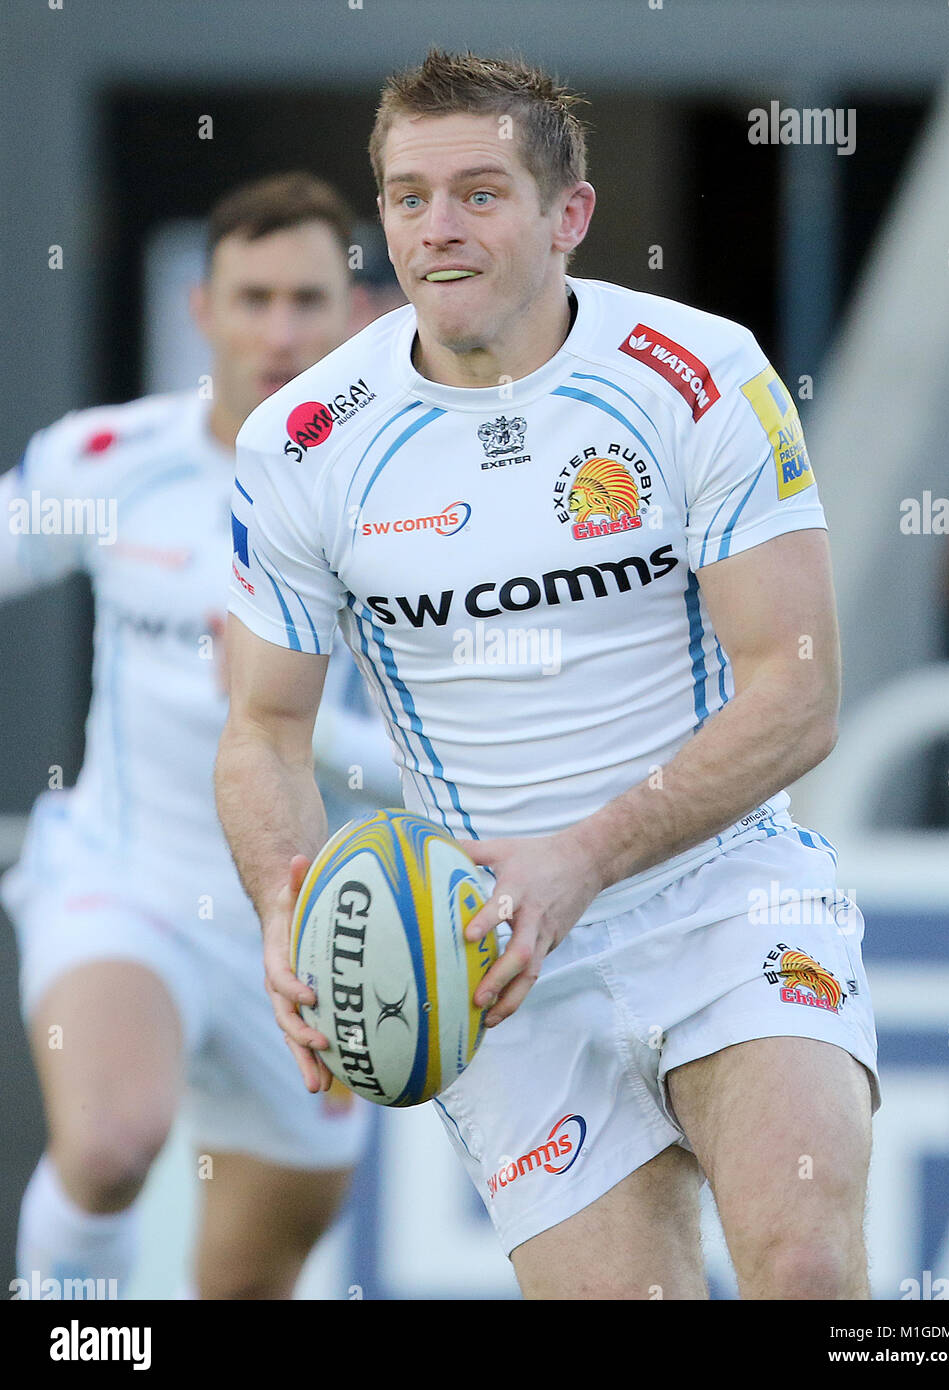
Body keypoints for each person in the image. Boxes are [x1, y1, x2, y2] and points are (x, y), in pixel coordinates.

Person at [216, 53, 881, 1301]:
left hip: (724, 894)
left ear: (567, 215)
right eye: (408, 198)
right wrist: (282, 911)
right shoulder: (301, 441)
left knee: (802, 1264)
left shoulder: (698, 373)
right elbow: (261, 729)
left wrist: (582, 857)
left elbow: (796, 693)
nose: (436, 229)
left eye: (479, 192)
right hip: (487, 953)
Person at [0, 172, 391, 1300]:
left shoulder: (404, 507)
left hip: (317, 935)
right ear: (202, 310)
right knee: (113, 1141)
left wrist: (301, 738)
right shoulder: (110, 460)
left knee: (246, 1284)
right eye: (252, 297)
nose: (279, 331)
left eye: (307, 300)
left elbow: (450, 776)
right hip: (126, 885)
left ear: (353, 314)